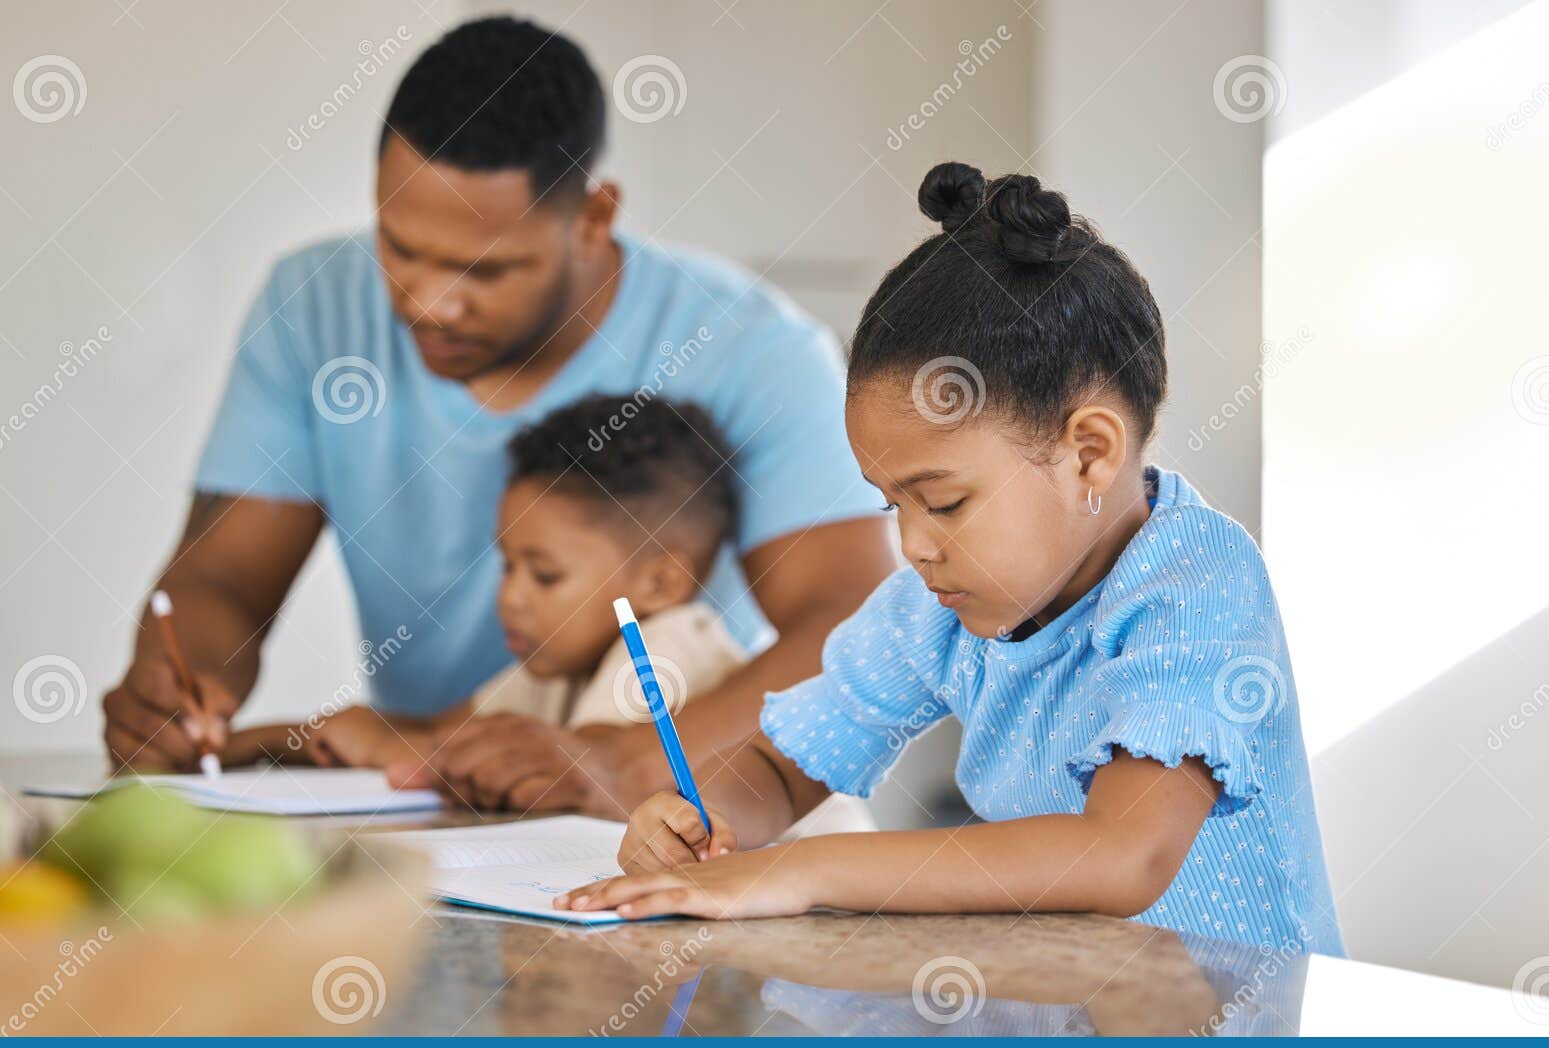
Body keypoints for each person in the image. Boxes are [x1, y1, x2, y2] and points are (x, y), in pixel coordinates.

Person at [101, 17, 895, 815]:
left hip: (673, 806)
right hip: (439, 805)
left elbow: (852, 629)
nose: (428, 302)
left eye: (484, 270)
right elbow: (222, 581)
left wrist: (620, 761)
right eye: (402, 249)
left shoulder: (752, 348)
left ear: (593, 216)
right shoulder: (313, 308)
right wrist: (181, 688)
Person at [555, 163, 1346, 956]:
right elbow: (780, 762)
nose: (913, 544)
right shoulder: (936, 611)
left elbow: (1123, 855)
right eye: (890, 503)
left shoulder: (1196, 583)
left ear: (1090, 454)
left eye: (945, 502)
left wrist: (801, 869)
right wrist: (705, 818)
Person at [228, 395, 872, 837]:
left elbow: (544, 779)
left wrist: (390, 744)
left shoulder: (669, 650)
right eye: (506, 567)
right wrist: (268, 739)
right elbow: (449, 735)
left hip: (821, 920)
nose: (510, 598)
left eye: (544, 575)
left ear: (658, 581)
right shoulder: (553, 661)